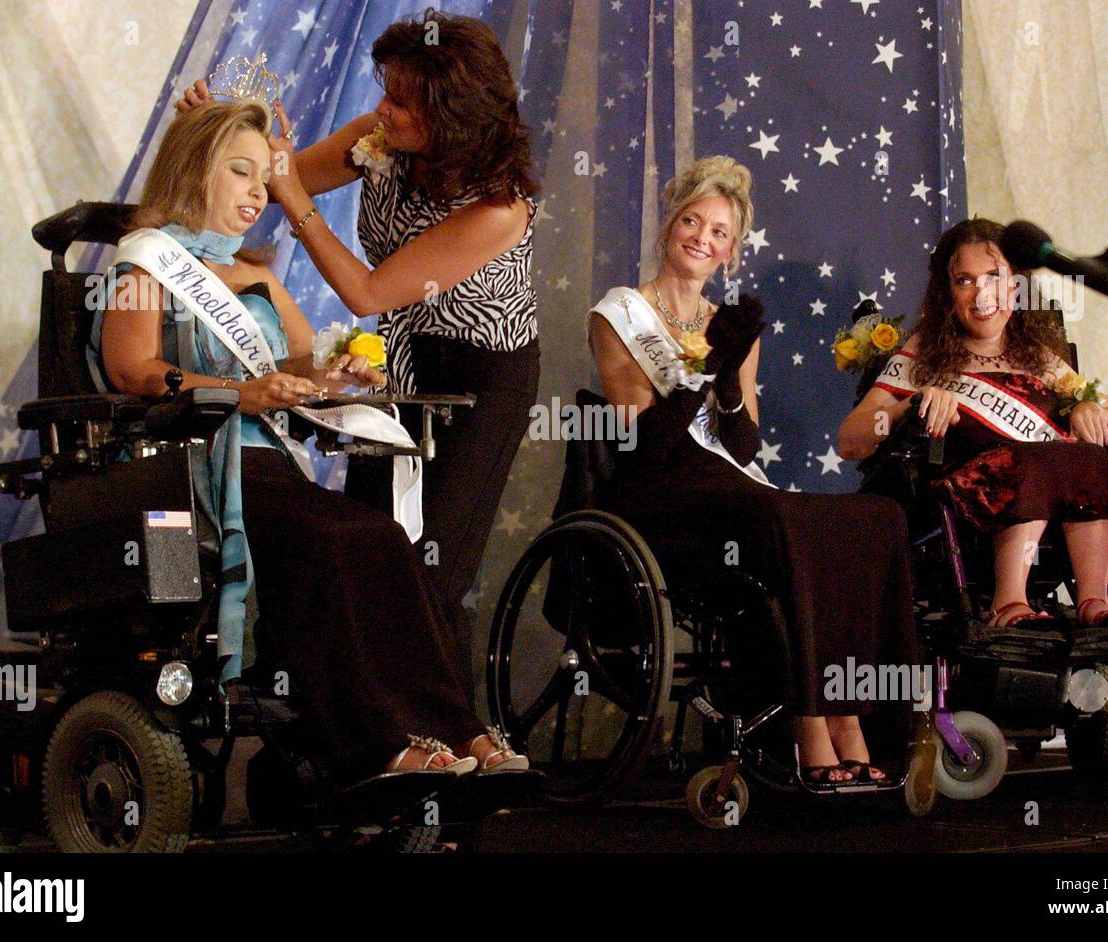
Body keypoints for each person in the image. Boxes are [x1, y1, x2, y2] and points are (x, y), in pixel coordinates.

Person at [97, 100, 527, 791]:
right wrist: (246, 394)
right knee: (331, 539)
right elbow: (133, 371)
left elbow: (303, 368)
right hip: (190, 469)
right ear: (192, 170)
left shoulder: (258, 277)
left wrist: (340, 374)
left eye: (263, 180)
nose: (256, 193)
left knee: (380, 538)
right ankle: (373, 746)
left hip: (270, 466)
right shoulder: (144, 263)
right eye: (239, 173)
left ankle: (451, 725)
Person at [177, 9, 539, 695]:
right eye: (387, 89)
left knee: (431, 567)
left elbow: (368, 293)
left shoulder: (500, 207)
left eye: (402, 101)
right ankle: (349, 731)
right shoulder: (378, 138)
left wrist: (290, 195)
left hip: (481, 379)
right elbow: (275, 179)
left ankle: (452, 737)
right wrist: (210, 135)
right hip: (400, 363)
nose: (382, 109)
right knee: (372, 546)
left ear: (452, 115)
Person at [587, 157, 919, 786]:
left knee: (873, 516)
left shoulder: (730, 323)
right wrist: (703, 371)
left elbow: (740, 446)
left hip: (726, 482)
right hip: (656, 490)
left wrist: (731, 376)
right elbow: (641, 444)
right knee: (780, 516)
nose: (702, 239)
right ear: (668, 226)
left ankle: (851, 714)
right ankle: (808, 722)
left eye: (719, 232)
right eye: (692, 221)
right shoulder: (619, 313)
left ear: (731, 252)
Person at [838, 217, 1108, 629]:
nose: (982, 293)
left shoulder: (1038, 357)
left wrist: (1089, 409)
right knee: (1032, 468)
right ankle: (1009, 604)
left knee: (1086, 464)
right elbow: (851, 438)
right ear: (949, 293)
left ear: (1014, 288)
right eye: (965, 280)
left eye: (993, 277)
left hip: (1043, 480)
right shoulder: (923, 354)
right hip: (969, 497)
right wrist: (908, 406)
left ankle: (1094, 601)